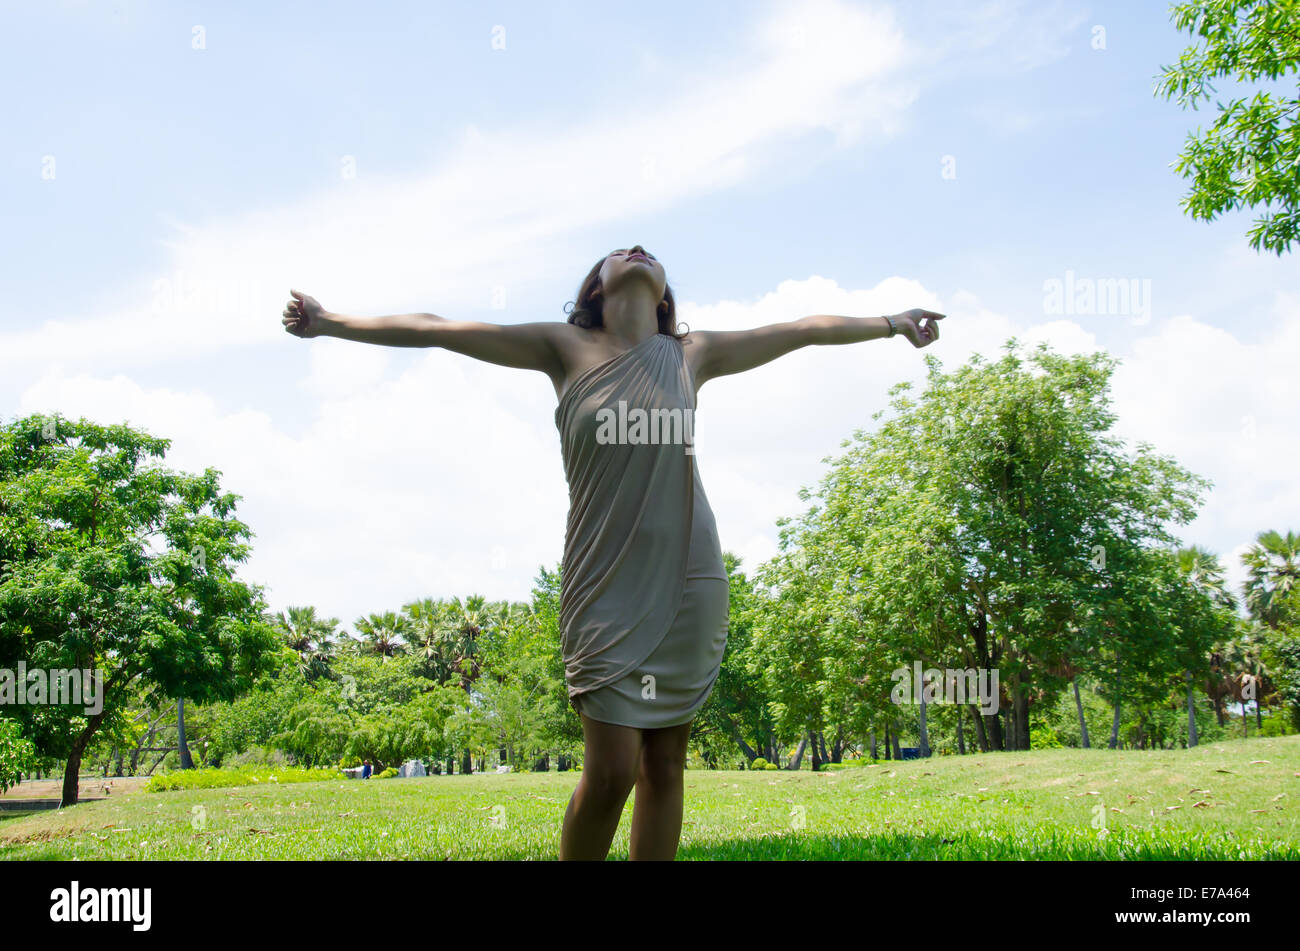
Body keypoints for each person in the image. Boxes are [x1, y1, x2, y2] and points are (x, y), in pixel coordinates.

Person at [281, 245, 943, 859]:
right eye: (619, 250)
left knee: (665, 764)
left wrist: (892, 321)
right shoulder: (561, 345)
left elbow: (802, 329)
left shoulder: (692, 353)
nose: (635, 249)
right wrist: (330, 321)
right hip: (604, 578)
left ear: (663, 297)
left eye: (647, 251)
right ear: (596, 288)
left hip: (690, 574)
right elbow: (436, 327)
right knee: (612, 770)